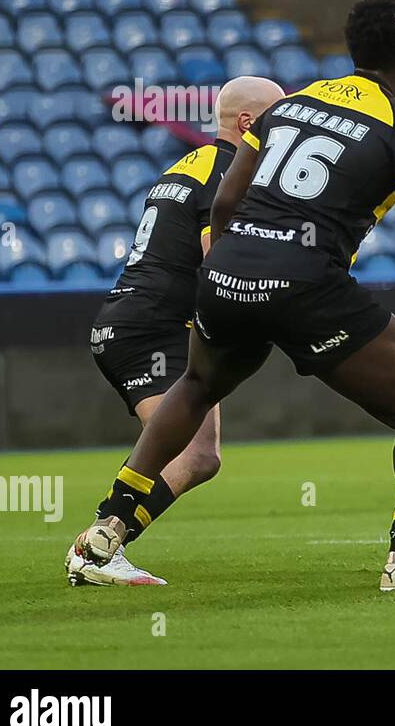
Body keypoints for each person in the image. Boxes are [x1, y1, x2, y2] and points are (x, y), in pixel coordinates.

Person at [67, 0, 395, 591]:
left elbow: (229, 202)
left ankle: (109, 524)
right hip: (308, 283)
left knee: (197, 386)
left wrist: (242, 262)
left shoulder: (291, 107)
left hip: (225, 276)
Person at [73, 76, 283, 586]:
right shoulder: (231, 172)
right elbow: (219, 261)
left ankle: (103, 542)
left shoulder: (186, 166)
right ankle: (101, 546)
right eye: (279, 119)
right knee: (189, 451)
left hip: (138, 320)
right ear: (250, 123)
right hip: (153, 328)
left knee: (202, 455)